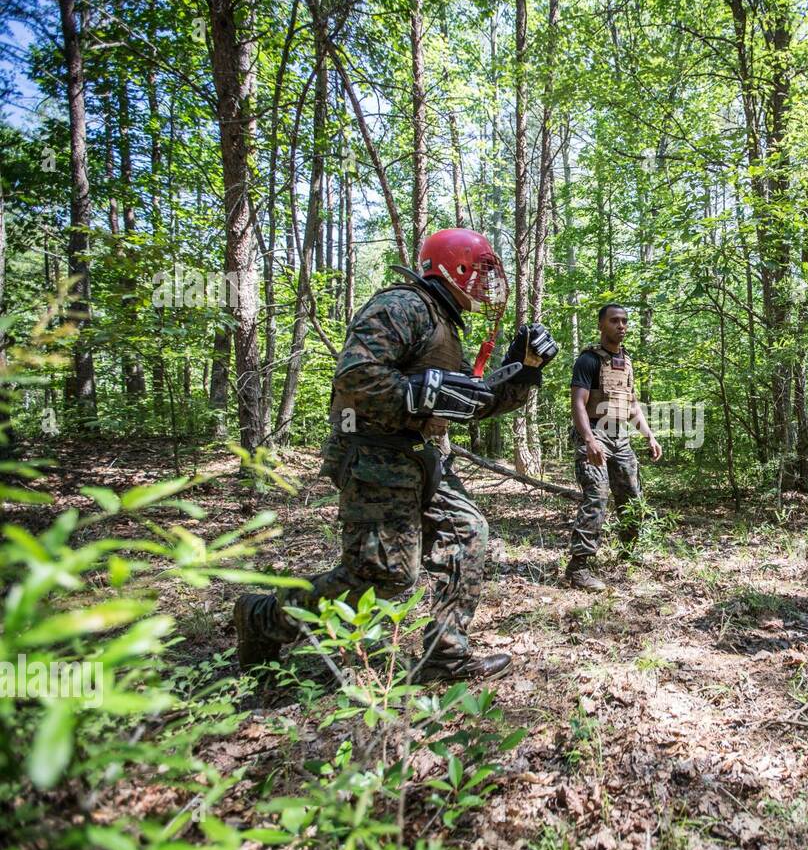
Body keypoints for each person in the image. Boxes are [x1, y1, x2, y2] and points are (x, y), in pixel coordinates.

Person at [233, 228, 558, 681]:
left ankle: (444, 655)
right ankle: (262, 617)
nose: (489, 284)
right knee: (383, 576)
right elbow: (356, 374)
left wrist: (524, 368)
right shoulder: (404, 306)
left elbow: (473, 400)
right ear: (455, 267)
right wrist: (416, 394)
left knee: (468, 533)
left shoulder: (443, 324)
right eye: (482, 272)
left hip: (422, 458)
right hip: (375, 456)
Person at [565, 303, 662, 590]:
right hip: (594, 432)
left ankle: (629, 552)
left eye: (624, 321)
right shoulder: (589, 360)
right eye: (614, 321)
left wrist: (649, 436)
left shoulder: (627, 361)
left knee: (632, 495)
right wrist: (589, 440)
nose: (621, 326)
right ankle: (578, 568)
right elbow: (578, 404)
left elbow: (631, 406)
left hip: (619, 435)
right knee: (597, 496)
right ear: (601, 325)